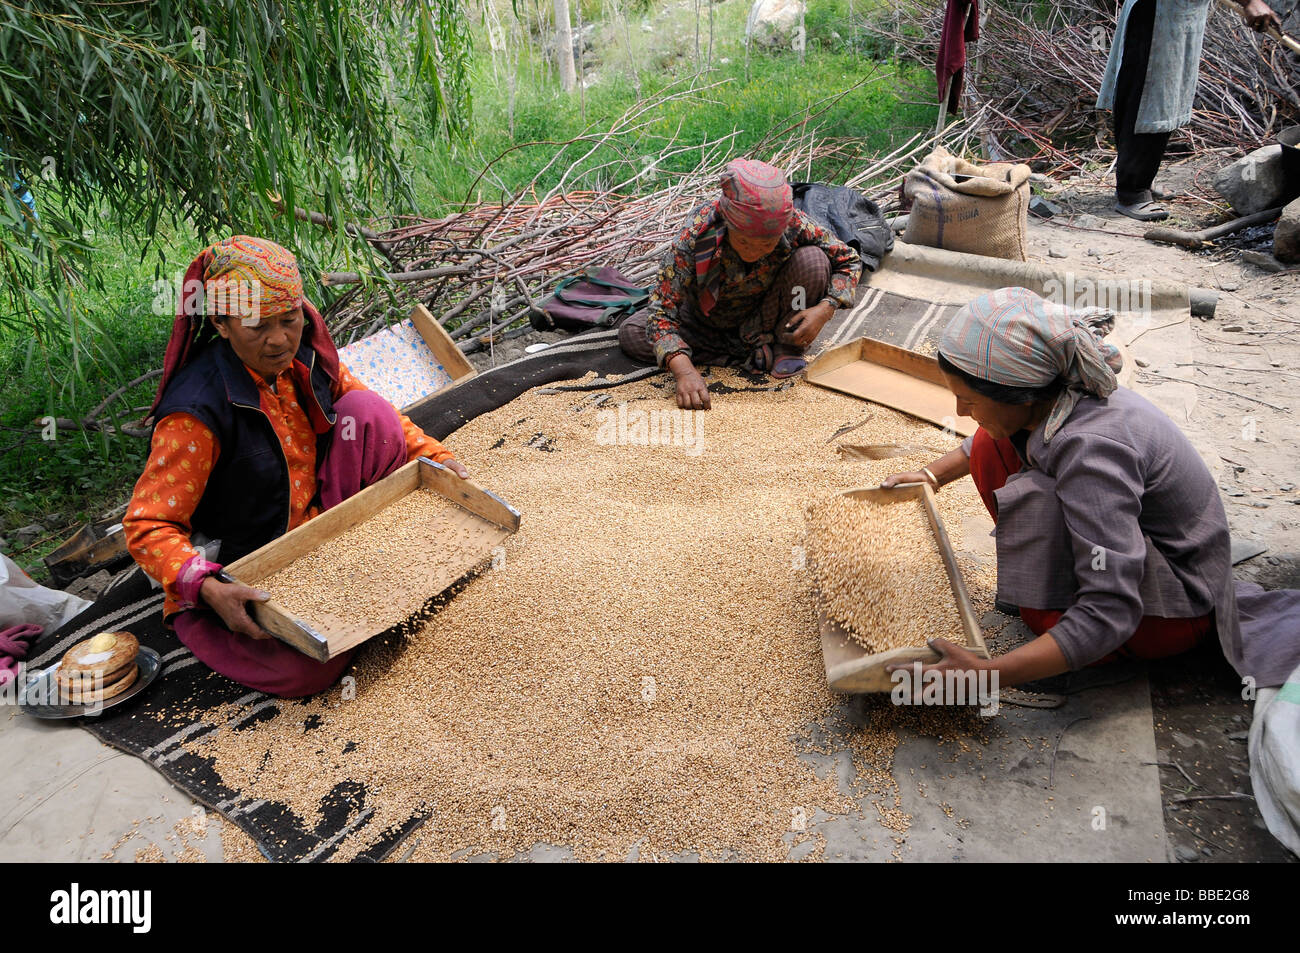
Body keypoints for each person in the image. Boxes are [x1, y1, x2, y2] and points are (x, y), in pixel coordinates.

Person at [881, 287, 1300, 694]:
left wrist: (988, 674)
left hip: (1173, 612)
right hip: (1128, 541)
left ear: (1021, 395)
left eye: (968, 400)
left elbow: (1110, 609)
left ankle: (1080, 644)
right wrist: (931, 475)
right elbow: (987, 435)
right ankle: (1047, 607)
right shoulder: (1058, 388)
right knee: (991, 445)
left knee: (1041, 552)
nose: (958, 412)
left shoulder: (1091, 453)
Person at [123, 236, 469, 698]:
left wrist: (437, 459)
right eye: (258, 327)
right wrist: (206, 588)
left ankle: (351, 562)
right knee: (307, 669)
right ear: (222, 325)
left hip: (317, 521)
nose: (279, 339)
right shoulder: (195, 413)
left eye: (290, 320)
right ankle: (206, 622)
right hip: (249, 558)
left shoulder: (305, 356)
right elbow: (148, 524)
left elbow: (370, 410)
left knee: (368, 412)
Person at [618, 158, 863, 410]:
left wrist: (826, 308)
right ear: (728, 223)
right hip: (704, 321)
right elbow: (661, 311)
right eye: (746, 242)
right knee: (632, 333)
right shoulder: (697, 234)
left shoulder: (793, 223)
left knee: (813, 261)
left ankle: (786, 346)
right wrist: (683, 371)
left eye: (767, 244)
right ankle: (753, 355)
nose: (756, 251)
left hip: (768, 313)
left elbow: (849, 260)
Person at [1097, 0, 1282, 221]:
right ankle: (1132, 190)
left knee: (1162, 94)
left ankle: (1139, 179)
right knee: (1149, 94)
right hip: (1156, 11)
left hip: (1175, 11)